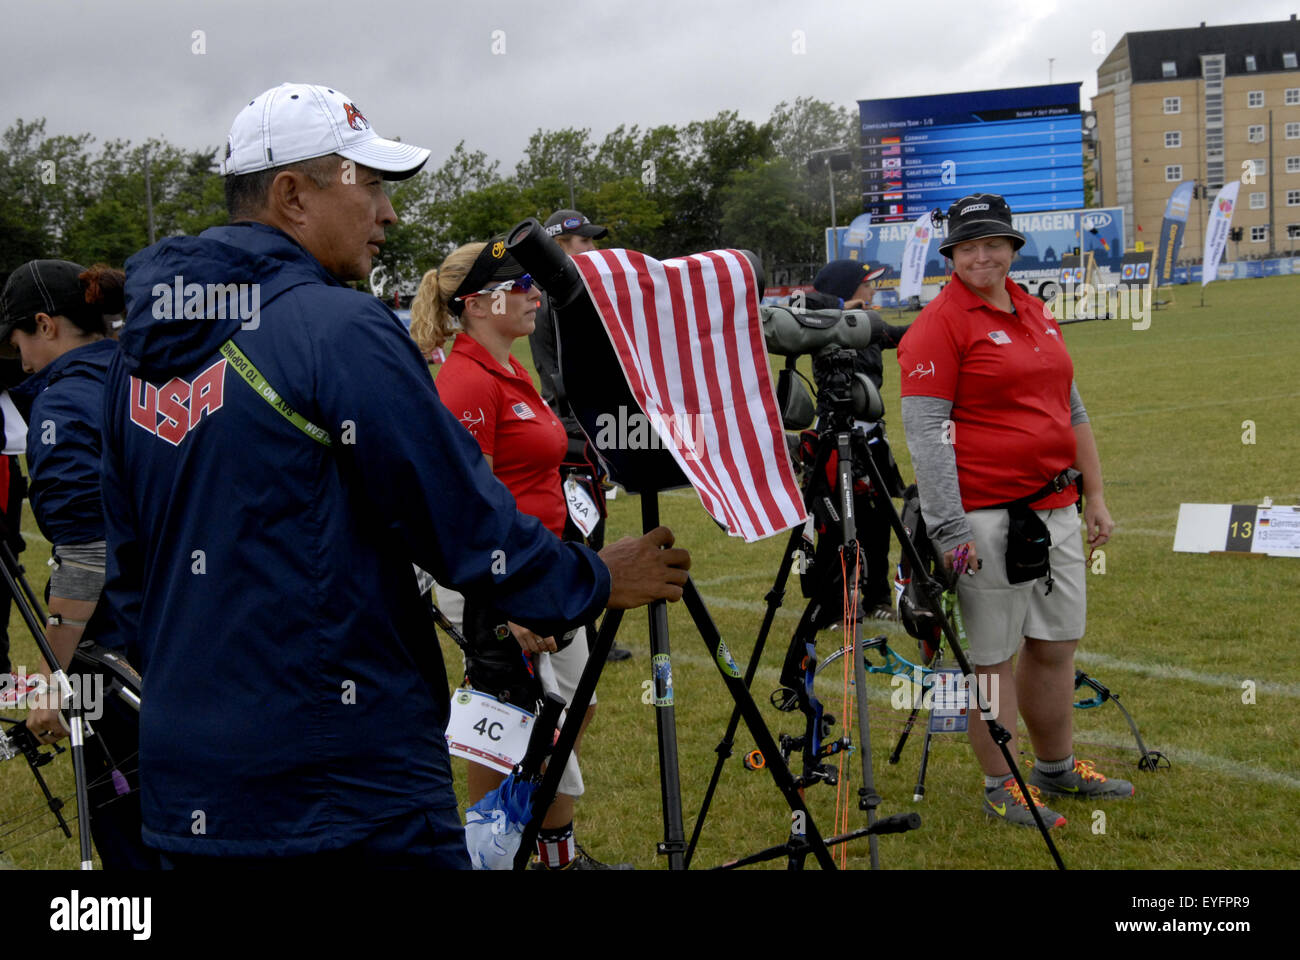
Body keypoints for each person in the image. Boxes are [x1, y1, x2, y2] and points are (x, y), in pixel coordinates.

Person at [99, 81, 690, 868]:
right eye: (369, 184)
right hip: (344, 789)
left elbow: (130, 583)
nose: (389, 212)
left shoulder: (131, 363)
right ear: (291, 194)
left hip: (191, 786)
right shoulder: (338, 328)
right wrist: (589, 579)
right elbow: (463, 524)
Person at [898, 193, 1129, 829]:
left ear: (1012, 249)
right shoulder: (939, 324)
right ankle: (1002, 785)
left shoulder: (1033, 310)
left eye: (993, 243)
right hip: (983, 518)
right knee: (994, 659)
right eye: (968, 246)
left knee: (1056, 645)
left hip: (1055, 507)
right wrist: (948, 529)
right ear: (951, 254)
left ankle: (1054, 768)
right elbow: (925, 434)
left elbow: (1071, 410)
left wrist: (1097, 494)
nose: (982, 255)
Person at [409, 239, 627, 870]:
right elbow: (464, 511)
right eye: (520, 282)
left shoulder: (510, 367)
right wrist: (508, 601)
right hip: (504, 583)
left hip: (548, 570)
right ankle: (491, 856)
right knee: (511, 724)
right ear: (477, 302)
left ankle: (549, 852)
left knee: (569, 714)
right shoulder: (466, 382)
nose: (535, 293)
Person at [0, 259, 157, 867]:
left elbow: (84, 556)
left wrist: (50, 677)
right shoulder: (150, 375)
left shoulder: (63, 404)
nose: (22, 365)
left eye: (20, 346)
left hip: (118, 655)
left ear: (46, 324)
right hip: (188, 639)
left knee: (130, 840)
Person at [528, 209, 632, 663]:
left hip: (583, 428)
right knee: (579, 531)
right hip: (572, 429)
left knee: (590, 526)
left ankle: (582, 632)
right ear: (559, 245)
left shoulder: (569, 294)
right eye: (584, 242)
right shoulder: (557, 297)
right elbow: (565, 377)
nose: (593, 249)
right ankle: (578, 632)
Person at [806, 260, 910, 620]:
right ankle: (832, 605)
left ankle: (878, 597)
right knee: (835, 526)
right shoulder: (821, 320)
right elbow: (799, 308)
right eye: (866, 285)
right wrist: (841, 308)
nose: (872, 291)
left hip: (870, 439)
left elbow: (903, 335)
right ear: (846, 291)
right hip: (834, 441)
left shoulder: (870, 324)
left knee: (879, 521)